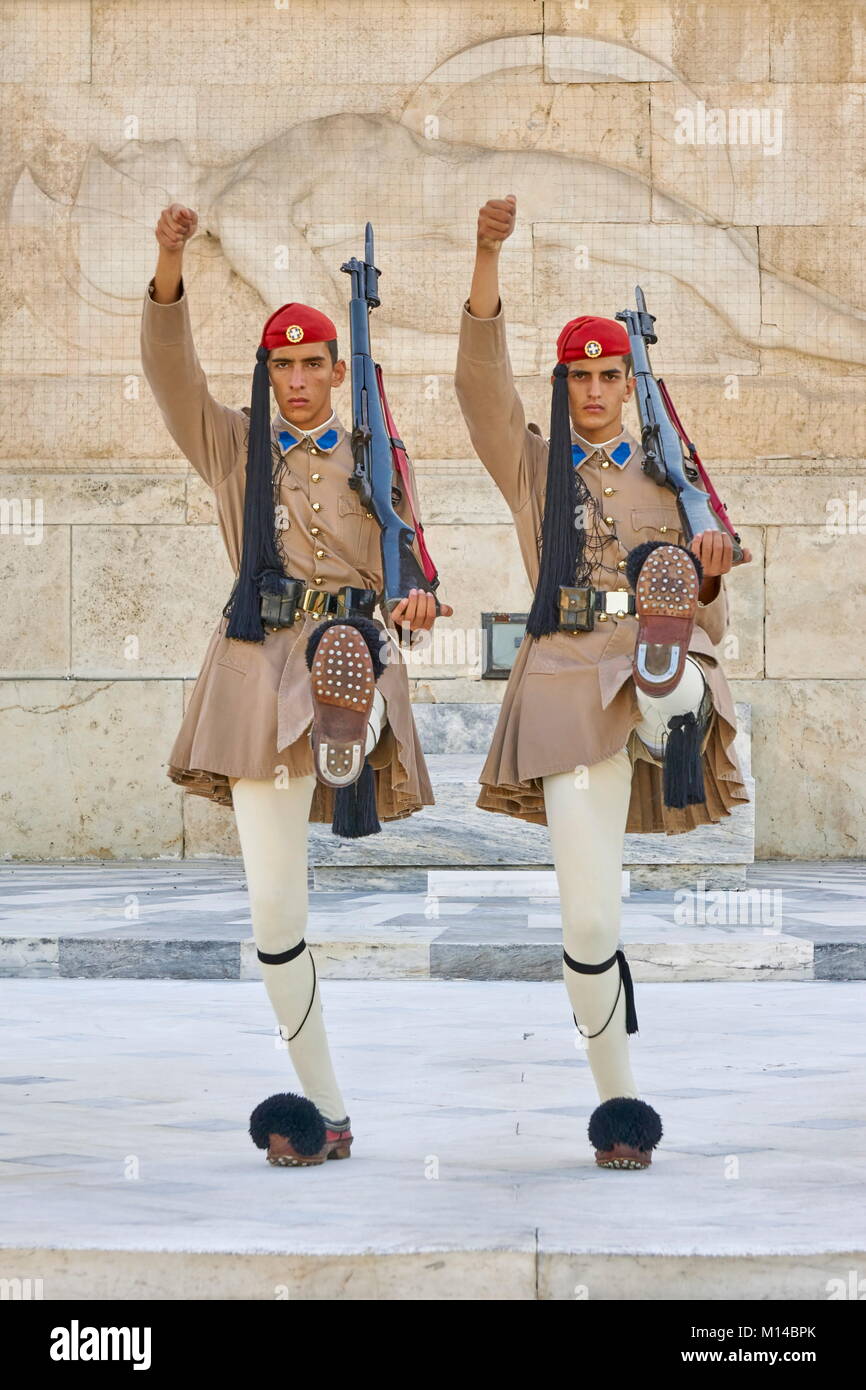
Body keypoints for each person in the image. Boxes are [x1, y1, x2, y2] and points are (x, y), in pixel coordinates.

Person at [141, 203, 452, 1167]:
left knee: (346, 646)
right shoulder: (236, 447)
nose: (298, 380)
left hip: (345, 646)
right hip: (252, 668)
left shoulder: (376, 460)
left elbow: (413, 571)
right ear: (269, 377)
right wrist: (168, 262)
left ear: (335, 371)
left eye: (313, 363)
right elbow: (169, 374)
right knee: (276, 914)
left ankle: (345, 722)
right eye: (282, 366)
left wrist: (414, 606)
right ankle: (327, 1108)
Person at [454, 194, 752, 1170]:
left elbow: (718, 602)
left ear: (627, 383)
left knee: (671, 642)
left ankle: (672, 721)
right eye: (577, 376)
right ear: (564, 383)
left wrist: (702, 563)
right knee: (587, 921)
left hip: (653, 660)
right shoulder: (533, 466)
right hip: (566, 681)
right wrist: (485, 261)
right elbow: (477, 388)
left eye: (606, 375)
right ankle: (617, 1101)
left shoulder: (670, 479)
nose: (592, 389)